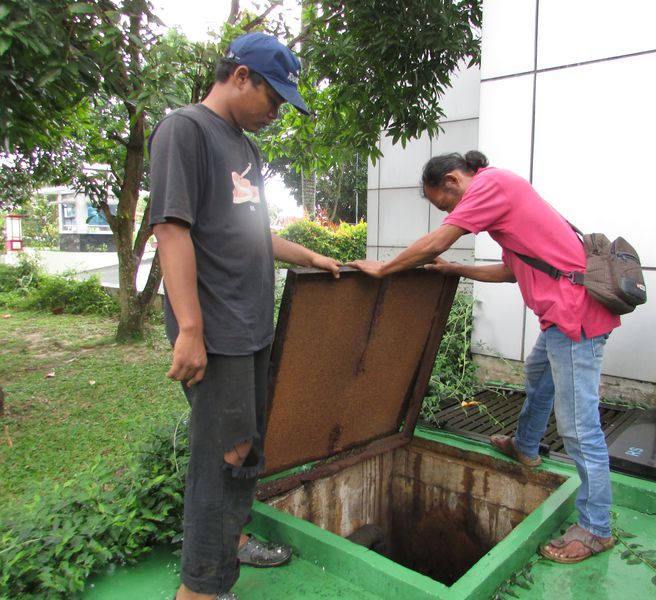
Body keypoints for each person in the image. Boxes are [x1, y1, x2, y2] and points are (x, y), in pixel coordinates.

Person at [349, 151, 619, 564]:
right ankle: (526, 446)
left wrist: (385, 268)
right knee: (537, 376)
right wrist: (455, 271)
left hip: (575, 317)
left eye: (446, 203)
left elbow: (438, 240)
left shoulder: (491, 186)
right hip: (560, 316)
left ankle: (596, 528)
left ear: (455, 180)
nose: (452, 211)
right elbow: (512, 271)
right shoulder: (503, 195)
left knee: (579, 427)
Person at [149, 32, 341, 600]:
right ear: (239, 75)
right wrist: (189, 329)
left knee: (247, 449)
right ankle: (202, 589)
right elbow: (170, 228)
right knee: (225, 455)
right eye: (274, 98)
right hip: (217, 328)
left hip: (252, 325)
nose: (276, 112)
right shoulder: (185, 130)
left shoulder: (246, 149)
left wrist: (310, 255)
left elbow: (252, 231)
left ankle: (229, 545)